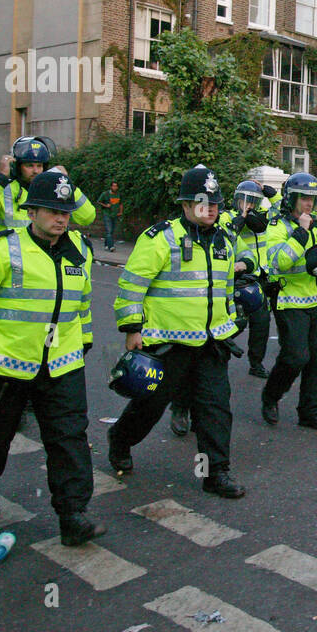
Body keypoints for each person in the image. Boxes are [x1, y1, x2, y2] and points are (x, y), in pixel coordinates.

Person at [0, 170, 105, 546]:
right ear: (31, 212)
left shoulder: (80, 250)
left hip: (62, 363)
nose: (61, 218)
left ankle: (73, 515)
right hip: (6, 364)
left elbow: (82, 302)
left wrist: (85, 340)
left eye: (65, 212)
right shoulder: (0, 249)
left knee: (69, 439)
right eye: (51, 211)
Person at [109, 165, 250, 498]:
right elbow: (132, 285)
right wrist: (132, 328)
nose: (211, 208)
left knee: (215, 410)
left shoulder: (224, 240)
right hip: (168, 346)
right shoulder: (161, 238)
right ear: (185, 205)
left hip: (212, 344)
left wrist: (230, 321)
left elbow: (225, 288)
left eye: (215, 202)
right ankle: (120, 439)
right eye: (203, 202)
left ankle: (214, 473)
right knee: (150, 407)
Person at [260, 172, 317, 429]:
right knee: (296, 357)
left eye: (313, 199)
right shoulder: (276, 226)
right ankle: (271, 396)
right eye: (304, 198)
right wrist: (301, 233)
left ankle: (309, 412)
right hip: (290, 300)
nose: (309, 204)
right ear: (291, 199)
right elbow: (278, 262)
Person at [0, 136, 95, 233]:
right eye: (29, 165)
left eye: (39, 165)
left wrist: (67, 185)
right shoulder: (2, 189)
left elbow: (87, 217)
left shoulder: (53, 191)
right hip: (7, 259)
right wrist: (0, 178)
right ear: (16, 166)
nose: (36, 171)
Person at [223, 181, 273, 379]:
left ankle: (256, 363)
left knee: (262, 322)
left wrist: (269, 192)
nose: (249, 205)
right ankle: (215, 352)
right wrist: (241, 216)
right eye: (245, 200)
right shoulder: (227, 216)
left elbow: (281, 209)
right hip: (236, 277)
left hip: (258, 275)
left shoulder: (262, 217)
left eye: (253, 201)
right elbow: (228, 232)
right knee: (235, 321)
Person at [95, 182, 123, 252]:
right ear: (111, 187)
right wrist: (106, 205)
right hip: (107, 214)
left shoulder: (119, 195)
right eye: (113, 186)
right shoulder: (106, 194)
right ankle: (111, 246)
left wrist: (120, 212)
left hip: (115, 214)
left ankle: (106, 244)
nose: (115, 188)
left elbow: (120, 204)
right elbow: (99, 201)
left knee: (111, 231)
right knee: (109, 231)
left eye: (116, 186)